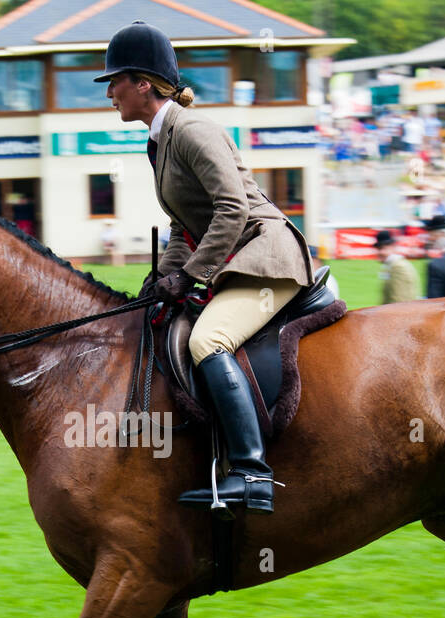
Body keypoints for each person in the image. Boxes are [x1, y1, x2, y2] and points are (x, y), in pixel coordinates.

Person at [97, 20, 315, 515]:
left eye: (115, 82)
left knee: (207, 341)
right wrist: (159, 280)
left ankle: (252, 473)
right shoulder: (160, 140)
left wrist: (191, 274)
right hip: (233, 259)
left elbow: (232, 209)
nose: (109, 92)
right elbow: (182, 226)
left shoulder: (194, 130)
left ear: (143, 85)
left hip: (266, 257)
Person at [375, 229, 419, 304]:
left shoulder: (398, 267)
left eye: (382, 248)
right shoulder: (393, 265)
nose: (379, 252)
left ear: (393, 247)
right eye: (378, 249)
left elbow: (399, 300)